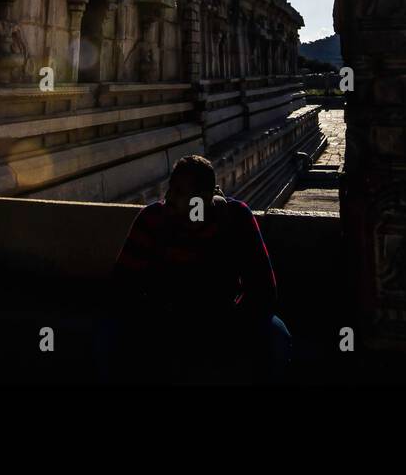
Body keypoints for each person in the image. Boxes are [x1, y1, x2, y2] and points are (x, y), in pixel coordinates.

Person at [108, 155, 291, 382]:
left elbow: (264, 290)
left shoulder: (236, 219)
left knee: (277, 338)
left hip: (223, 319)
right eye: (170, 190)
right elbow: (122, 286)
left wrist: (226, 328)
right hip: (165, 320)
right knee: (110, 335)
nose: (168, 199)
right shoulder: (152, 220)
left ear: (203, 199)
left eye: (179, 193)